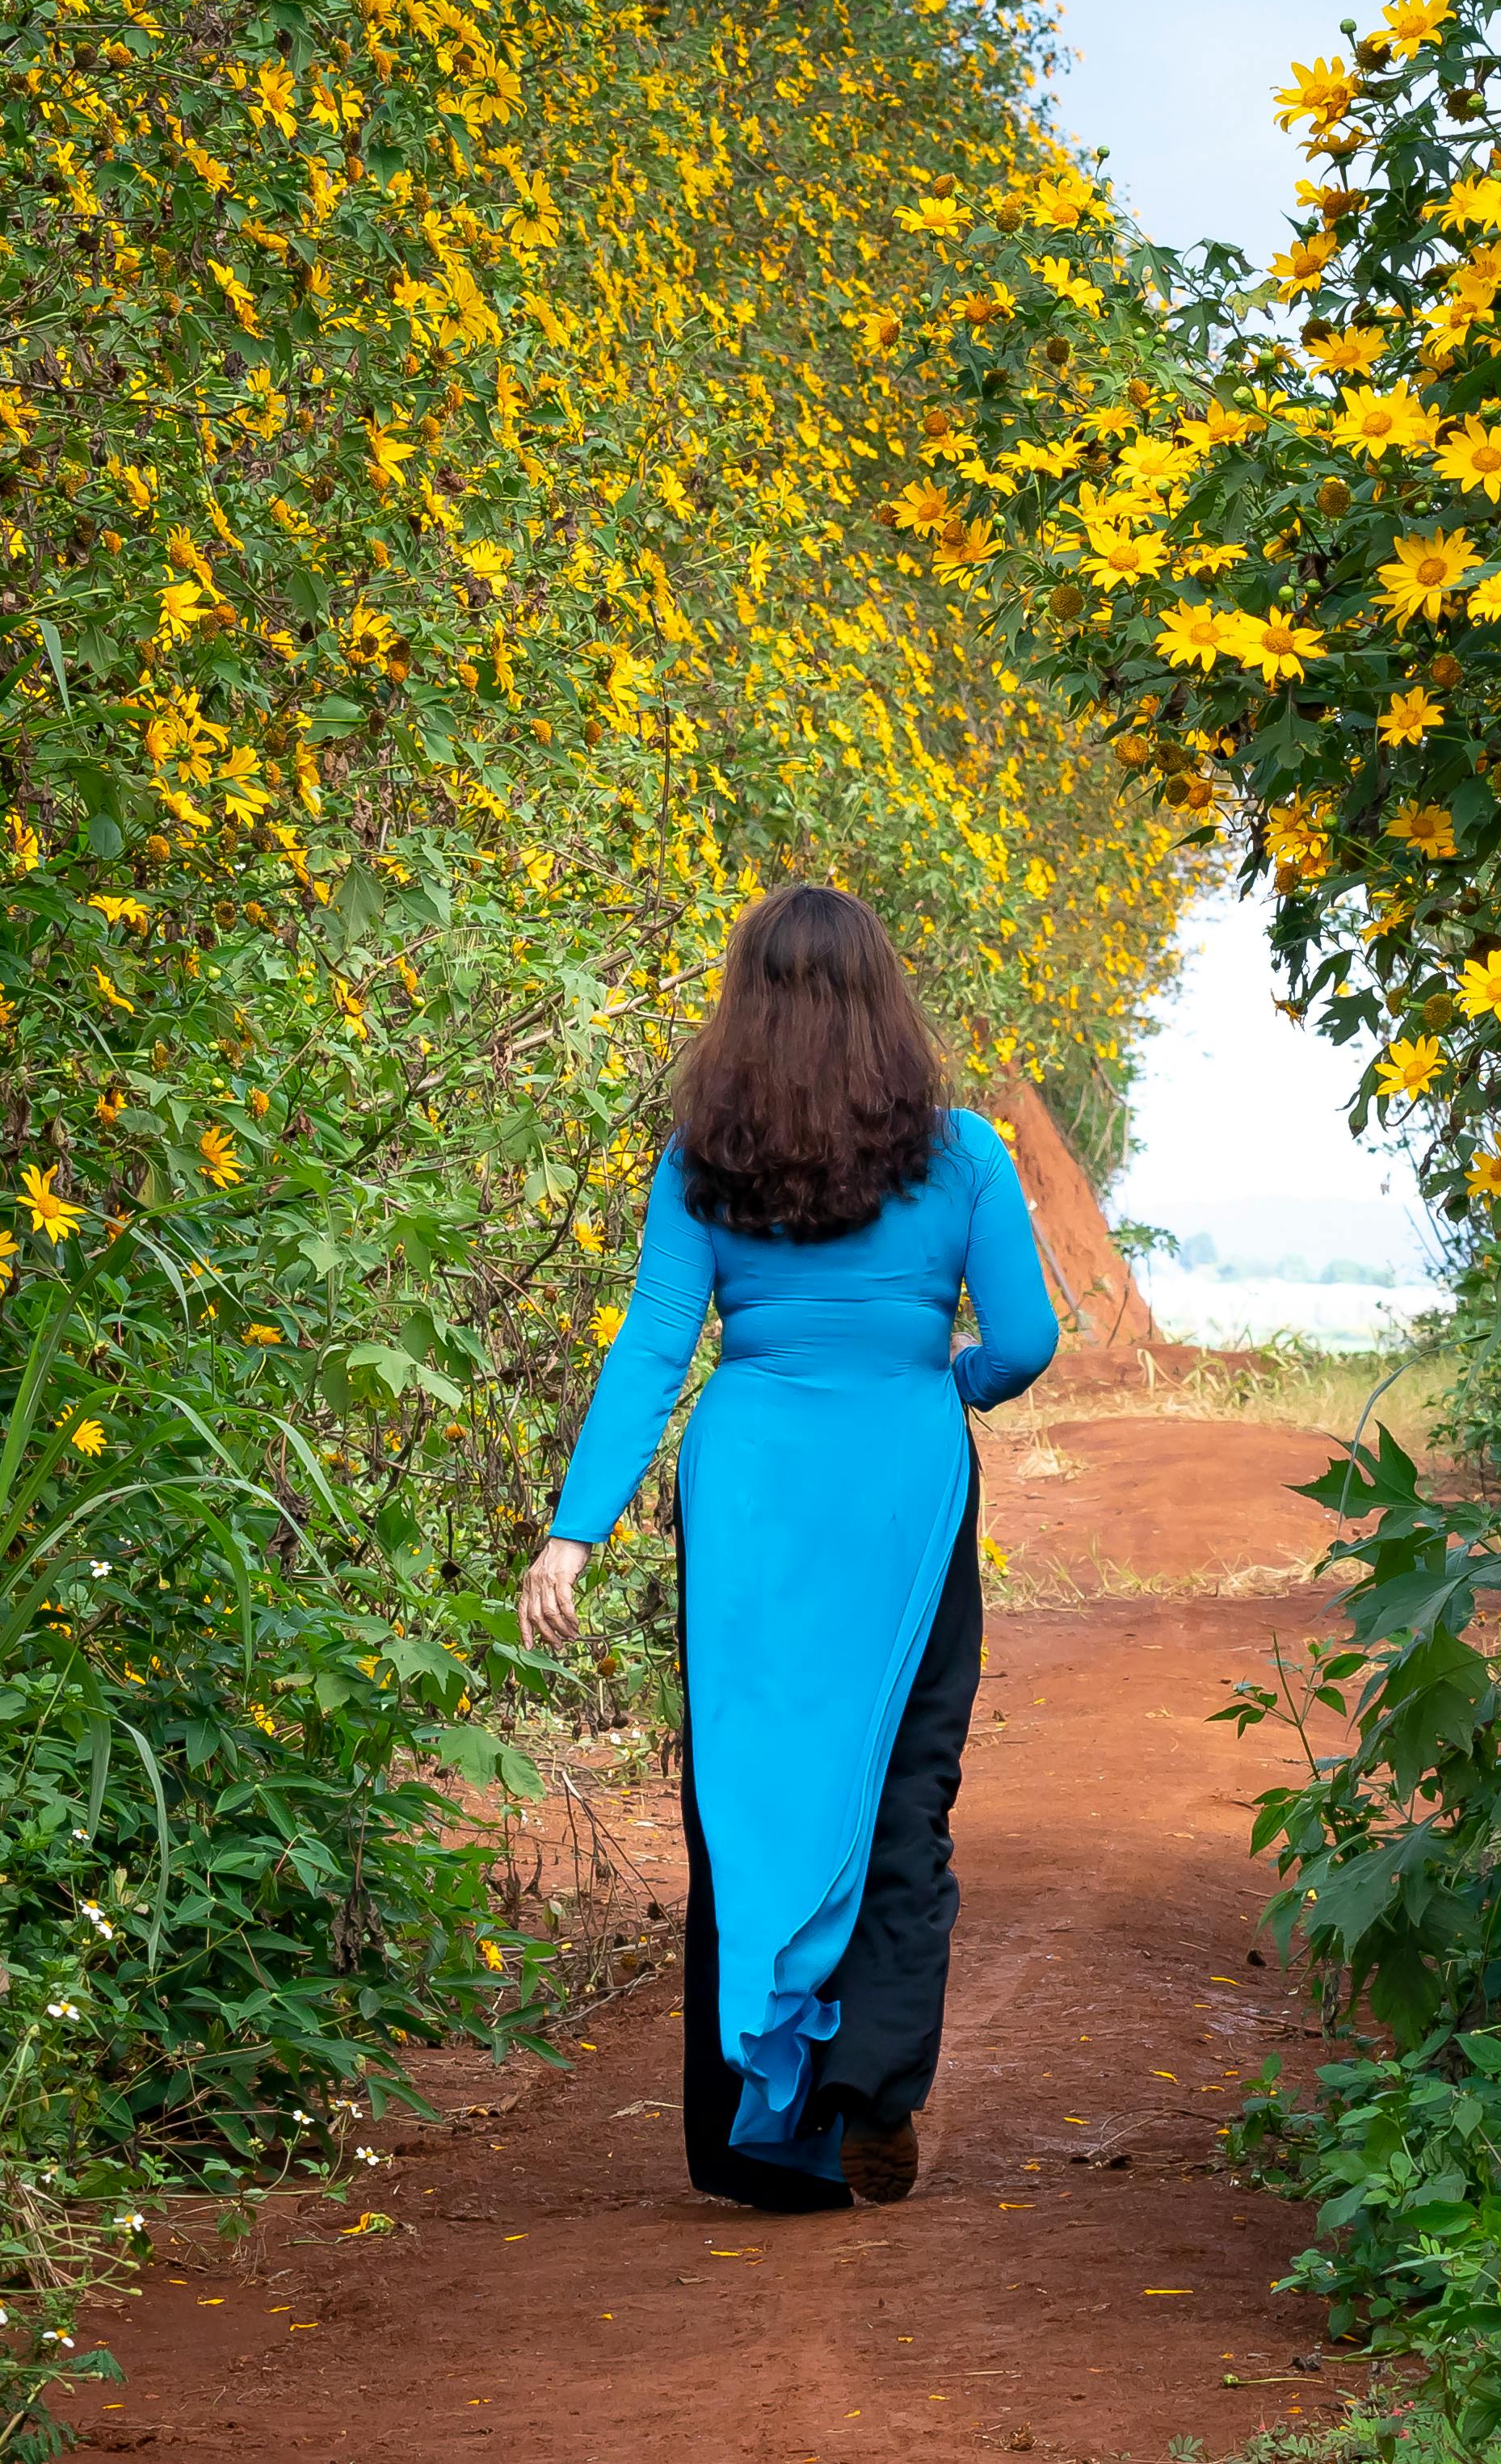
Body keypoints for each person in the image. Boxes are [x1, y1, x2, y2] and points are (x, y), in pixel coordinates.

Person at [522, 883, 1057, 2211]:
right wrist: (955, 1384)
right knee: (902, 1788)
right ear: (888, 999)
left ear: (743, 1009)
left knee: (750, 1796)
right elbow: (1031, 1340)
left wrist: (573, 1534)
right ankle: (876, 2088)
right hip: (901, 1480)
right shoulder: (965, 1152)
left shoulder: (706, 1155)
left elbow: (654, 1349)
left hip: (750, 1482)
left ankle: (765, 2145)